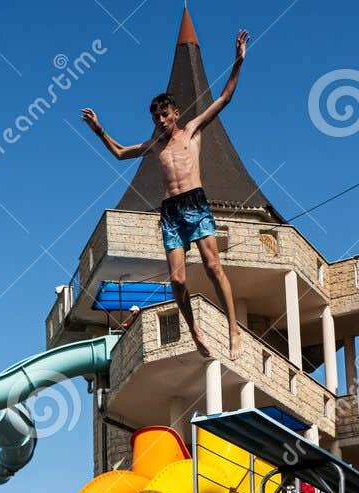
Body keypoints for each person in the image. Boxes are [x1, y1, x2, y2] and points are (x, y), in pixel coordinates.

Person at [82, 29, 249, 362]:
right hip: (170, 211)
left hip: (196, 204)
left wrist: (238, 61)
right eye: (154, 117)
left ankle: (233, 329)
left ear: (175, 114)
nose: (159, 121)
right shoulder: (153, 146)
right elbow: (118, 152)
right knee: (176, 280)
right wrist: (99, 129)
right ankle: (196, 331)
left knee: (214, 266)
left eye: (163, 115)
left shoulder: (192, 130)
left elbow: (225, 98)